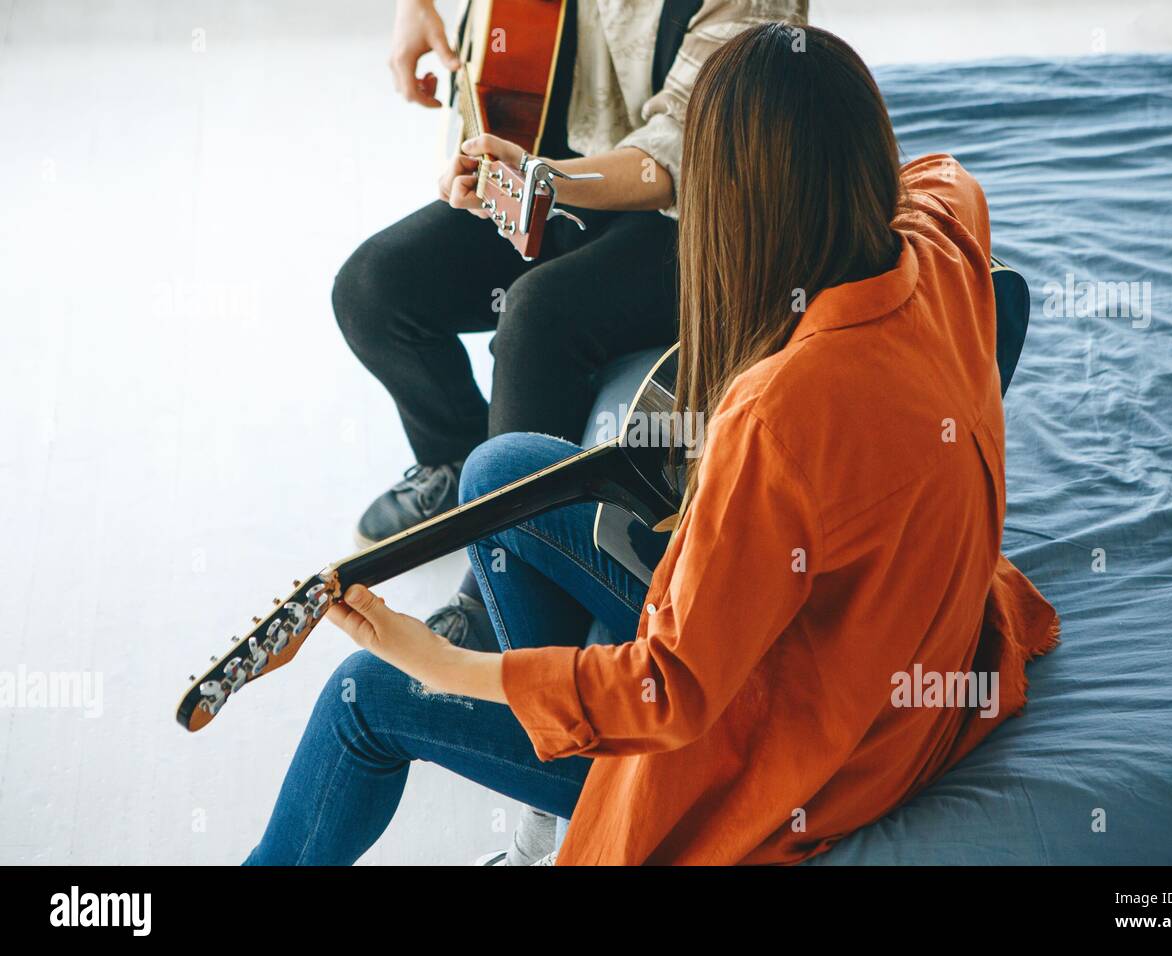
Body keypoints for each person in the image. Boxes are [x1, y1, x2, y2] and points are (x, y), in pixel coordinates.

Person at [247, 22, 1059, 866]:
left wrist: (443, 663)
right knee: (499, 471)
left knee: (362, 694)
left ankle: (564, 800)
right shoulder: (948, 225)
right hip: (903, 652)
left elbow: (668, 692)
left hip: (795, 759)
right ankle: (549, 812)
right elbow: (927, 176)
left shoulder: (775, 415)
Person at [336, 0, 805, 553]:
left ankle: (508, 564)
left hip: (707, 214)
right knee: (373, 286)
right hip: (564, 159)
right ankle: (456, 462)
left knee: (536, 315)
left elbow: (678, 150)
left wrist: (540, 178)